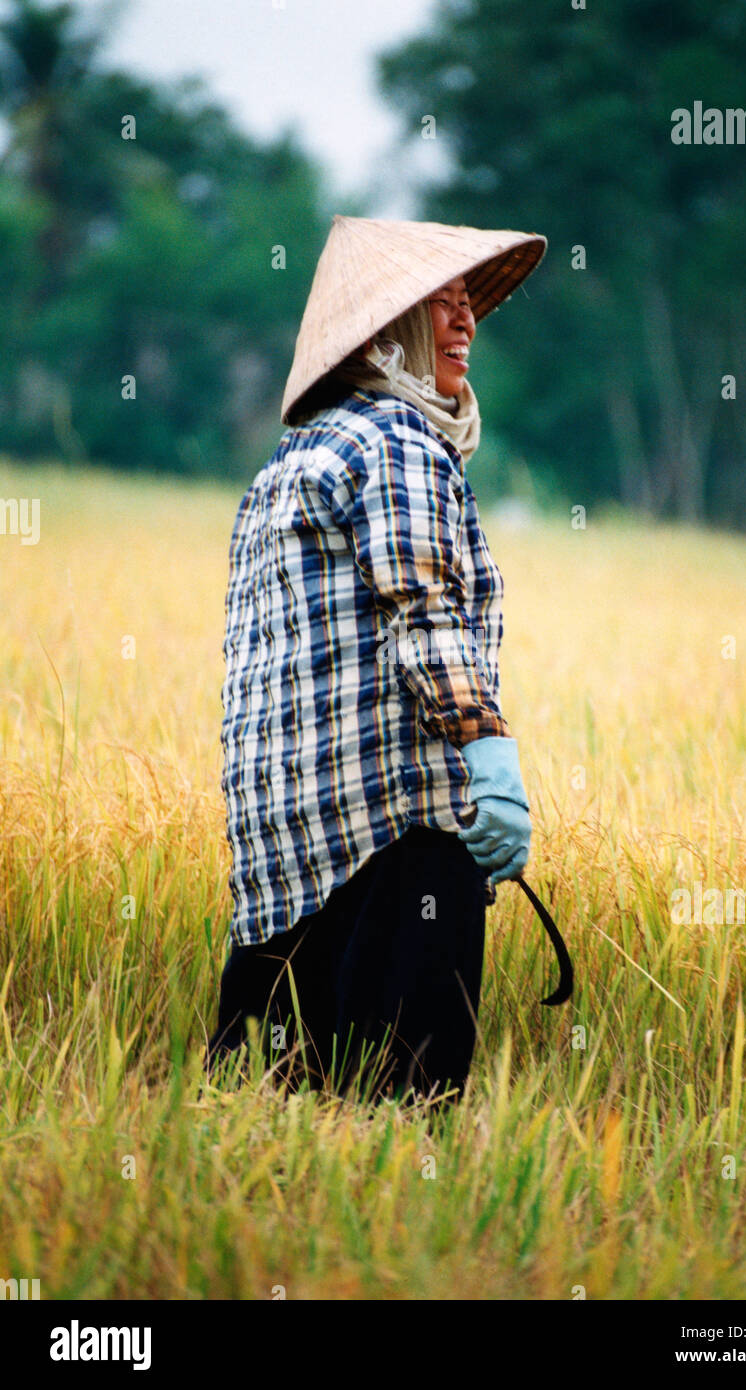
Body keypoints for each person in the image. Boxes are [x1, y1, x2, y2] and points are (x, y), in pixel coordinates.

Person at [205, 215, 547, 1103]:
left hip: (284, 857)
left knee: (262, 1123)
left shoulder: (289, 461)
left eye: (468, 303)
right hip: (396, 842)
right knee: (403, 1114)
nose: (465, 322)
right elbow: (426, 609)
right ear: (384, 333)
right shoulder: (398, 445)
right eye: (438, 304)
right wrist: (491, 761)